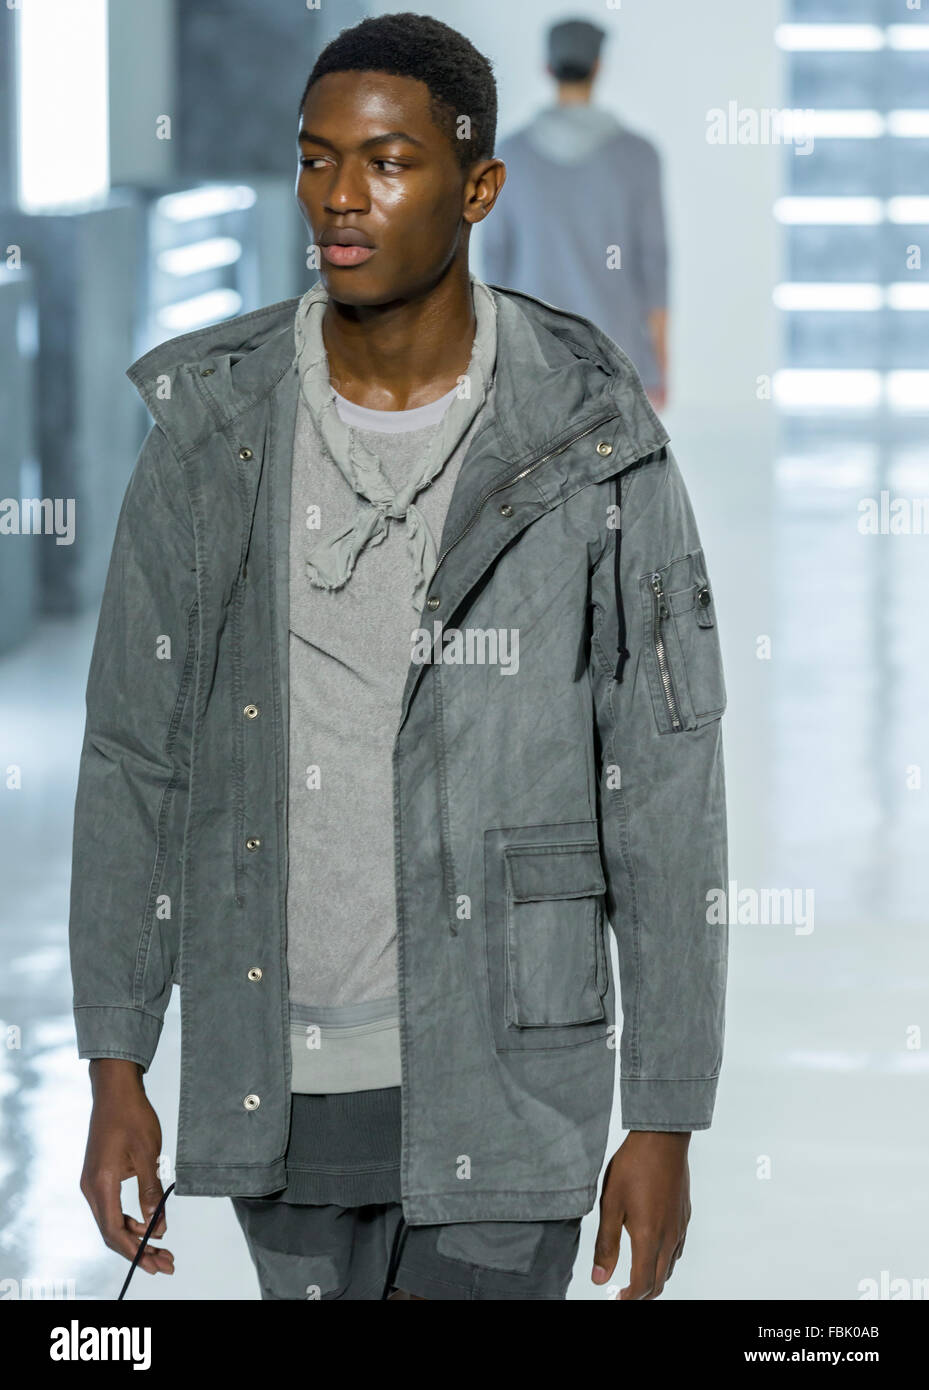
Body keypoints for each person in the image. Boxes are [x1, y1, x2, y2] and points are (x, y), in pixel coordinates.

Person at [70, 10, 728, 1302]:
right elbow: (135, 756)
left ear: (477, 186)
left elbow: (662, 784)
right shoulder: (212, 428)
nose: (340, 197)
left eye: (387, 160)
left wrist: (662, 1114)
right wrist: (115, 1062)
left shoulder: (592, 436)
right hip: (275, 1072)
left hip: (506, 1071)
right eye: (318, 159)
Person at [481, 18, 669, 410]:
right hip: (618, 355)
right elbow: (653, 264)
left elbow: (494, 266)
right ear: (599, 67)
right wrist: (659, 364)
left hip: (529, 356)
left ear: (547, 68)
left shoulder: (509, 156)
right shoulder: (638, 156)